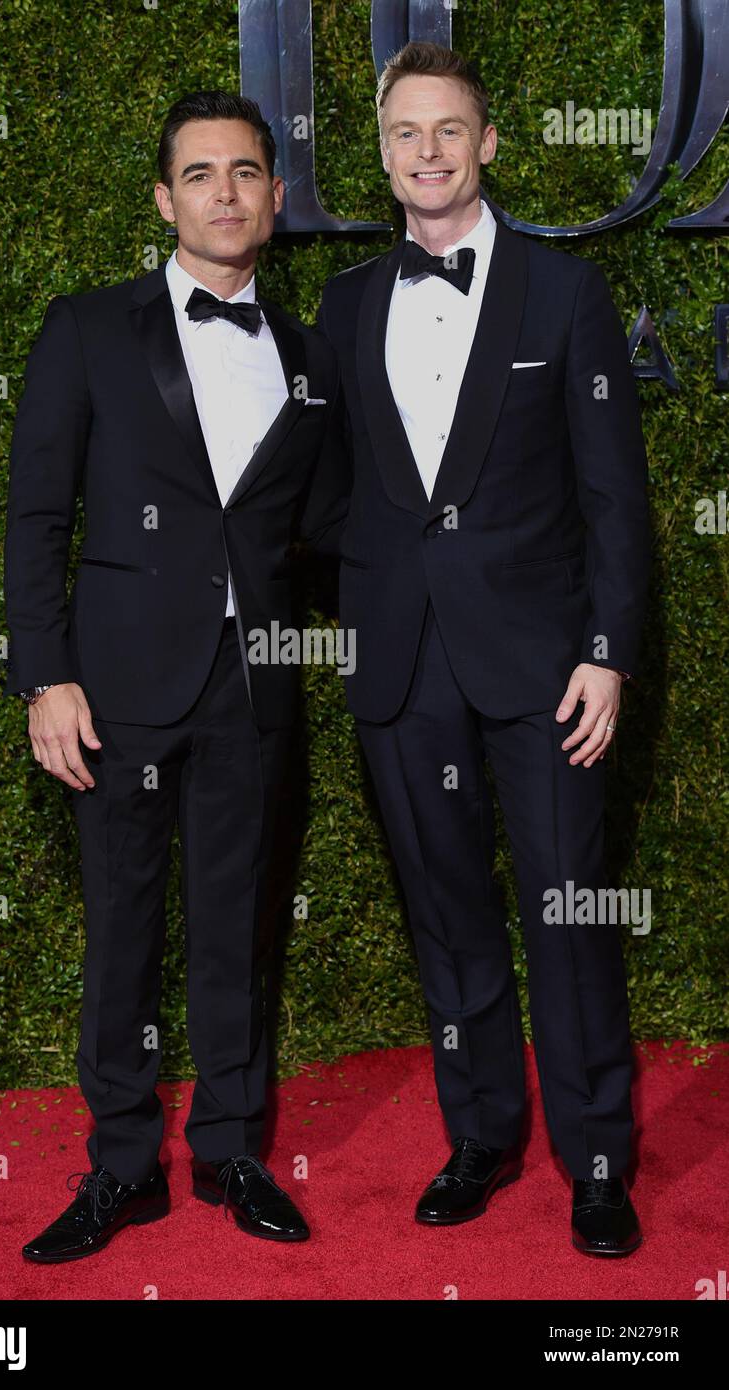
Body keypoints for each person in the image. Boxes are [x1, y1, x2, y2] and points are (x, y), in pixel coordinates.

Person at [315, 42, 650, 1256]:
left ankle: (595, 1159)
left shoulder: (565, 294)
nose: (426, 151)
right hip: (401, 660)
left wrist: (606, 650)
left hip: (545, 665)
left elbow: (613, 496)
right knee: (446, 913)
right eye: (404, 131)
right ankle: (481, 1135)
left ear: (487, 142)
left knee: (567, 911)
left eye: (447, 129)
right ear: (382, 149)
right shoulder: (346, 302)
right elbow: (328, 488)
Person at [4, 90, 349, 1261]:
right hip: (116, 690)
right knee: (122, 929)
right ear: (164, 199)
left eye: (244, 172)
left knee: (236, 927)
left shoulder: (309, 360)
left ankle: (231, 1148)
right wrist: (44, 676)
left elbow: (330, 528)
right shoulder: (87, 329)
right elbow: (37, 517)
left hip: (251, 688)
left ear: (274, 197)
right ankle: (120, 1165)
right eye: (199, 174)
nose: (223, 193)